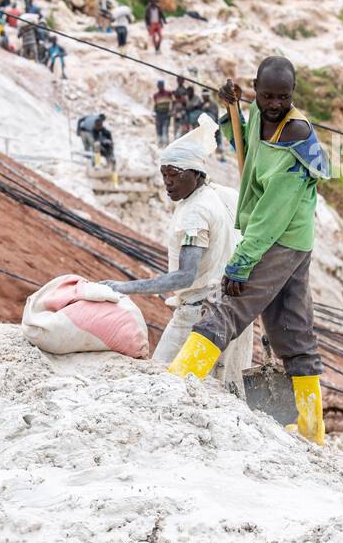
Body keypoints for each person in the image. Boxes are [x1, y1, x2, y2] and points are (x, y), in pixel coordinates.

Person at [168, 56, 330, 446]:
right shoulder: (262, 115)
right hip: (293, 240)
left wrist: (241, 264)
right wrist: (232, 111)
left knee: (229, 305)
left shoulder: (294, 138)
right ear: (256, 88)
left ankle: (176, 383)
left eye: (283, 97)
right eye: (267, 96)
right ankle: (312, 430)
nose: (274, 104)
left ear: (293, 95)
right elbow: (245, 140)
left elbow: (270, 220)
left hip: (280, 239)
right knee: (292, 331)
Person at [101, 115, 252, 395]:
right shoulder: (224, 195)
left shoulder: (195, 212)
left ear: (195, 172)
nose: (168, 183)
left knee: (164, 384)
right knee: (225, 391)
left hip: (199, 316)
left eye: (175, 175)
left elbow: (185, 276)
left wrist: (124, 287)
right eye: (164, 175)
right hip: (236, 310)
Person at [199, 89, 224, 161]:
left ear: (208, 96)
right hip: (203, 125)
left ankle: (219, 152)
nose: (204, 97)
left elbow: (215, 116)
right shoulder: (201, 104)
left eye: (205, 96)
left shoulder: (213, 104)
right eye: (203, 96)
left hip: (212, 124)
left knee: (217, 138)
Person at [152, 79, 174, 145]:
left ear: (163, 86)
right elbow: (156, 105)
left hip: (166, 114)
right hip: (159, 114)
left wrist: (172, 110)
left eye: (161, 85)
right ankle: (160, 143)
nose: (160, 87)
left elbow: (173, 102)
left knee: (165, 129)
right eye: (159, 85)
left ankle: (166, 143)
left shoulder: (168, 93)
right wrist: (154, 111)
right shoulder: (156, 95)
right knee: (159, 129)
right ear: (157, 86)